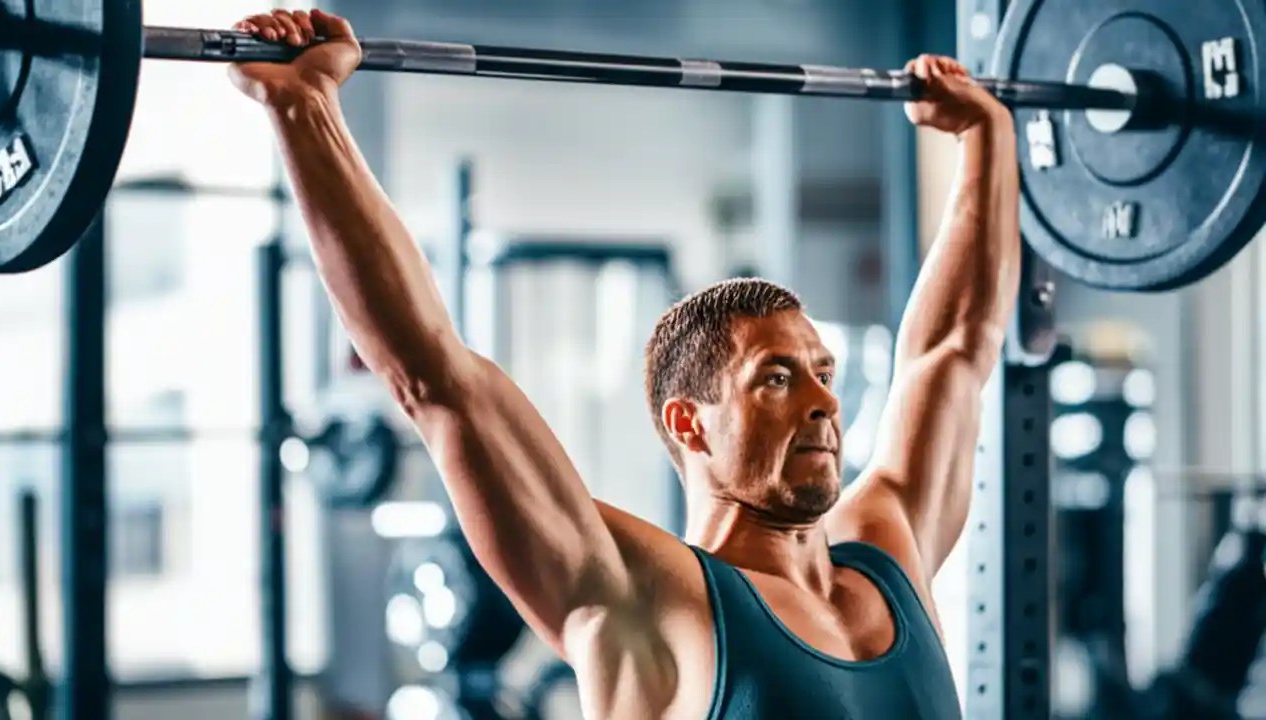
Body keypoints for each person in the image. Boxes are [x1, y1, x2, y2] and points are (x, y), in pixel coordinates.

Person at [229, 9, 1019, 719]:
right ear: (690, 424)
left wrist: (987, 137)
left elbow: (954, 350)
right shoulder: (645, 598)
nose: (822, 401)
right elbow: (436, 379)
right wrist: (304, 108)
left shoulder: (888, 552)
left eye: (823, 372)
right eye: (776, 379)